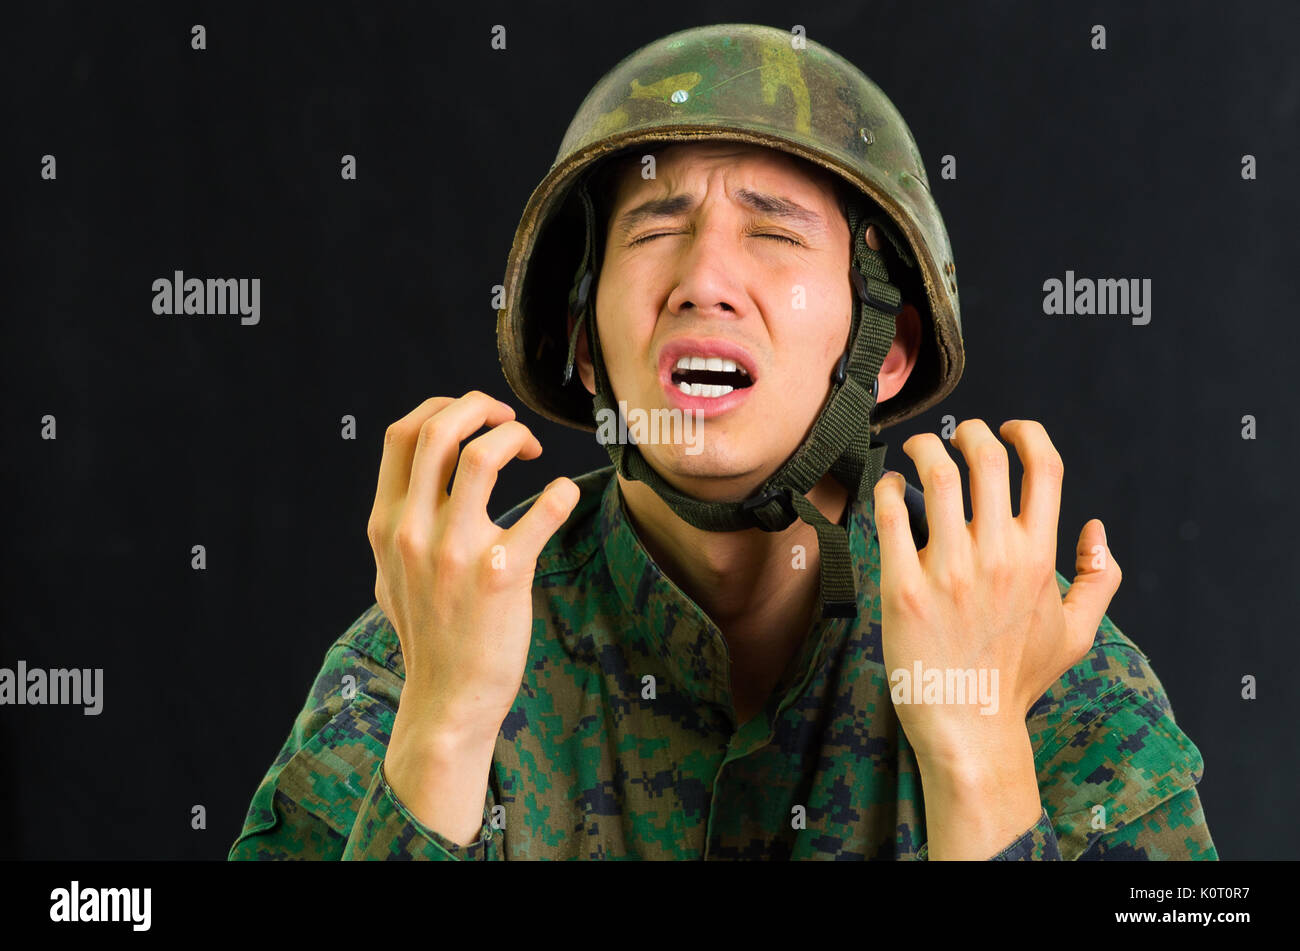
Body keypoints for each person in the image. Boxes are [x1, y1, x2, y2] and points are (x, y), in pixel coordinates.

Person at [229, 23, 1215, 860]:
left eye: (775, 233)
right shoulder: (426, 648)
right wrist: (442, 731)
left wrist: (977, 751)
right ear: (583, 344)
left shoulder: (1031, 657)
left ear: (885, 351)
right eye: (655, 229)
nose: (704, 278)